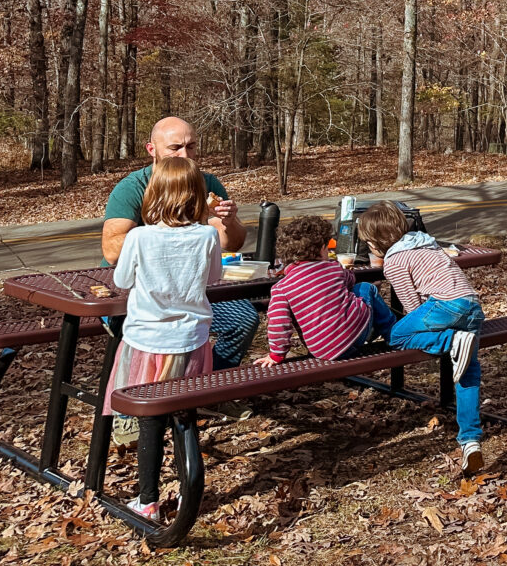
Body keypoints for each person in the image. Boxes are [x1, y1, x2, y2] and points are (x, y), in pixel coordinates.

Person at [102, 157, 222, 521]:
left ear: (153, 194)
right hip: (191, 340)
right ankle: (189, 494)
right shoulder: (207, 235)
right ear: (199, 197)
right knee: (184, 414)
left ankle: (147, 500)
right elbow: (214, 278)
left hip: (146, 341)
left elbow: (122, 281)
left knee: (150, 420)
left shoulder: (138, 237)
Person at [102, 117, 258, 372]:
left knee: (243, 319)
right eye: (175, 148)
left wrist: (228, 222)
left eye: (191, 146)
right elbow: (111, 252)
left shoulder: (207, 183)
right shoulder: (132, 188)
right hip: (139, 294)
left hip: (189, 291)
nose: (186, 155)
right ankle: (140, 399)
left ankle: (206, 387)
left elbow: (232, 243)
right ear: (152, 150)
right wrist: (166, 240)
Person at [358, 201, 487, 475]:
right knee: (467, 373)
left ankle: (451, 342)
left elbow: (413, 307)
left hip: (444, 307)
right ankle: (471, 441)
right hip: (472, 308)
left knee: (396, 335)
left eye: (367, 242)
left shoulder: (394, 261)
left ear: (375, 242)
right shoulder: (427, 244)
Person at [255, 216, 396, 365]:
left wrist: (277, 354)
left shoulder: (281, 288)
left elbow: (278, 323)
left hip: (323, 350)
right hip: (357, 334)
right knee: (366, 288)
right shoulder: (332, 268)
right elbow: (351, 280)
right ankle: (393, 334)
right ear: (322, 248)